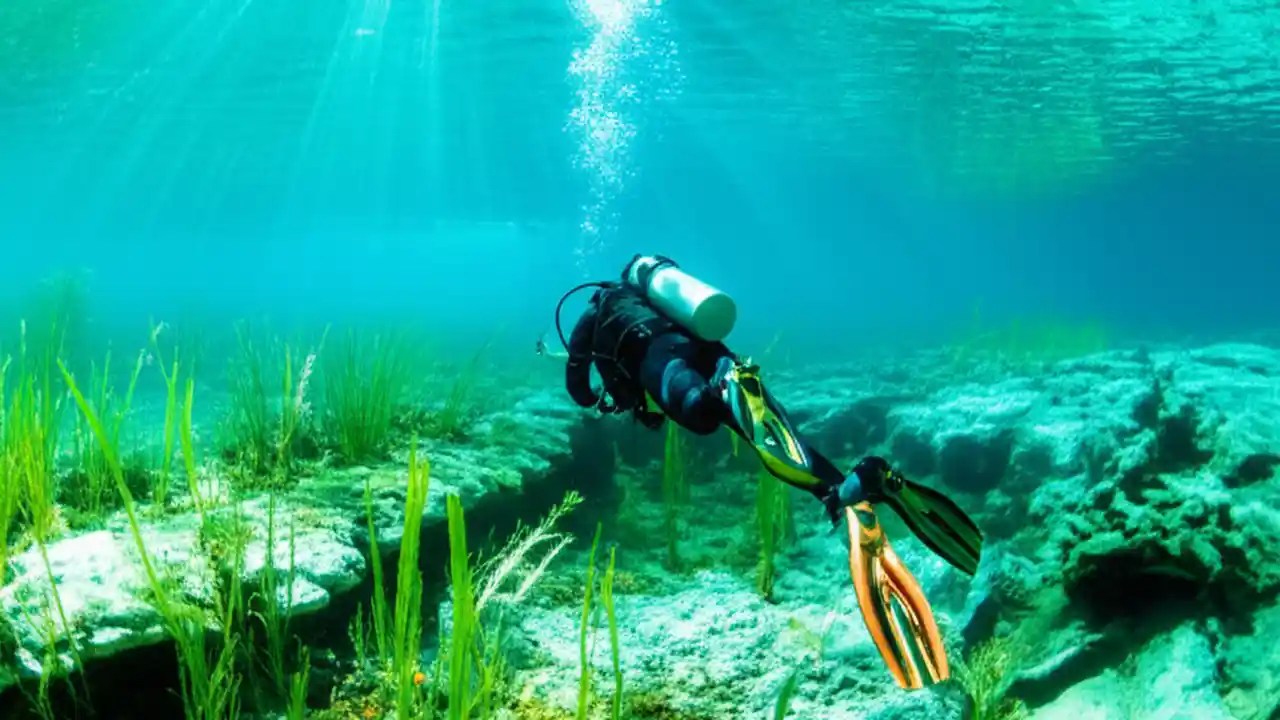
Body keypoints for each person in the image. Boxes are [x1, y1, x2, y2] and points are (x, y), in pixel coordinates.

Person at [549, 254, 984, 691]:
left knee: (700, 413)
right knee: (775, 439)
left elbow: (578, 386)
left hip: (661, 356)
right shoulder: (663, 301)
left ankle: (724, 395)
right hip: (713, 351)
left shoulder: (599, 309)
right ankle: (847, 487)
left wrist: (593, 392)